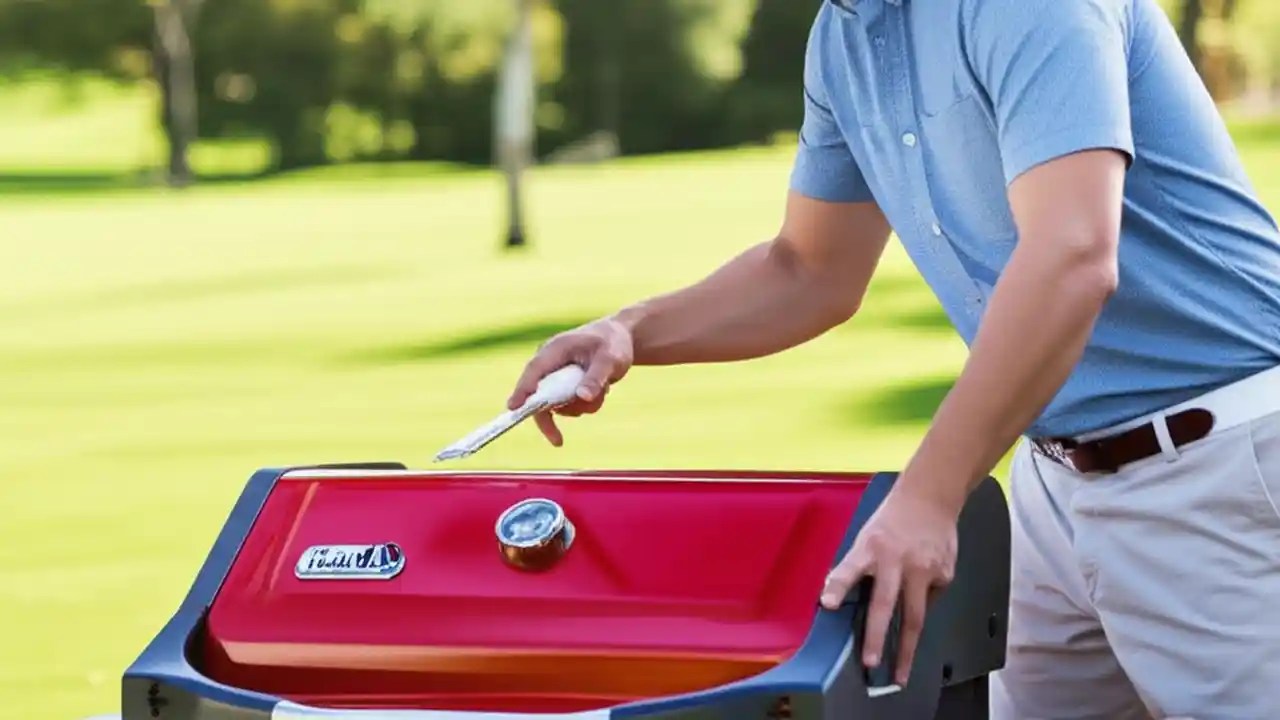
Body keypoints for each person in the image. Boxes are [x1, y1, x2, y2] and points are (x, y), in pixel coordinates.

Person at [504, 0, 1280, 717]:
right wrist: (632, 331)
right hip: (1058, 483)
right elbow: (810, 270)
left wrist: (929, 496)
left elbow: (1073, 255)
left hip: (1218, 473)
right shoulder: (844, 37)